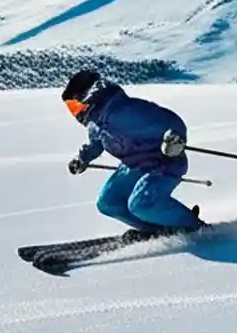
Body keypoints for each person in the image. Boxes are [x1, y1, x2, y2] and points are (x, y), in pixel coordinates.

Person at [62, 70, 205, 234]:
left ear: (88, 97)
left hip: (164, 163)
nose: (75, 113)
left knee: (142, 204)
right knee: (108, 203)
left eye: (74, 106)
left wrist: (175, 140)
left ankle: (195, 227)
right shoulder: (95, 123)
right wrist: (83, 159)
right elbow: (96, 143)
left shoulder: (125, 110)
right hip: (134, 165)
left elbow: (171, 121)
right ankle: (155, 230)